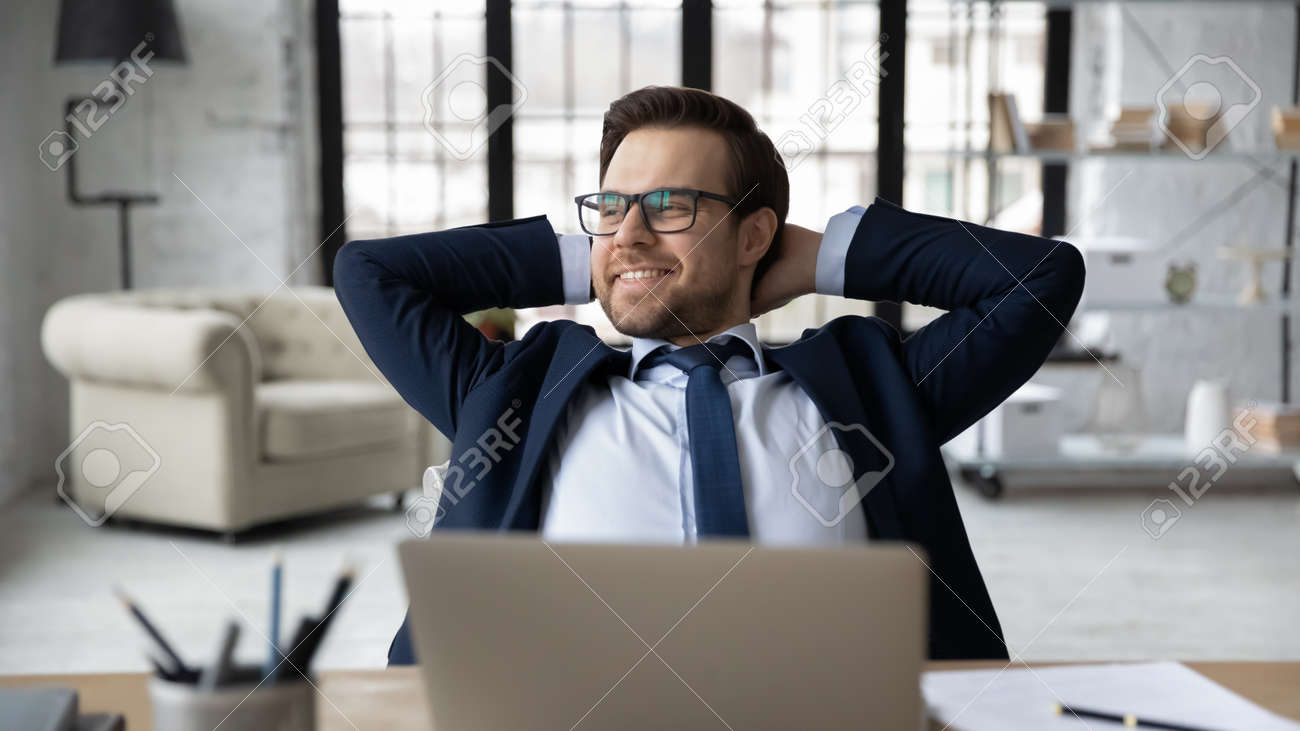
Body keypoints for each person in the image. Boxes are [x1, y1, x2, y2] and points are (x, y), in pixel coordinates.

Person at [333, 85, 1085, 666]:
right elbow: (368, 272)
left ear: (755, 235)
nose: (630, 231)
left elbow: (1040, 278)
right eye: (612, 207)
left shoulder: (873, 383)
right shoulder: (516, 389)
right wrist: (608, 259)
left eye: (669, 206)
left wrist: (822, 259)